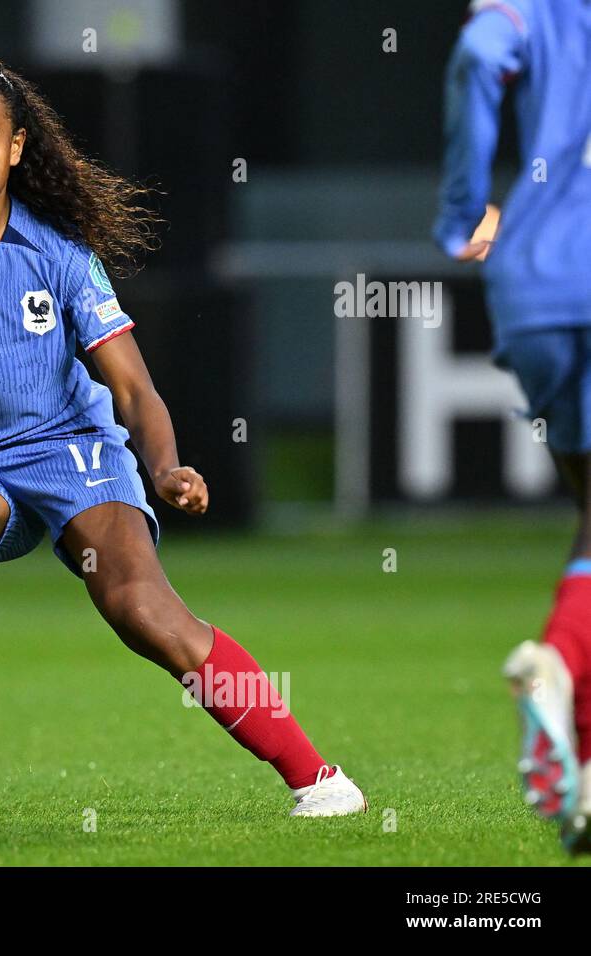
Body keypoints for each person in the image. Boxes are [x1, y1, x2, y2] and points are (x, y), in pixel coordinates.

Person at [0, 58, 367, 820]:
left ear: (15, 148)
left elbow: (133, 388)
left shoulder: (57, 252)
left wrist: (167, 466)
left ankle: (319, 779)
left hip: (72, 454)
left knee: (144, 610)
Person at [434, 0, 591, 854]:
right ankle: (562, 660)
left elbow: (474, 61)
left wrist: (465, 206)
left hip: (533, 283)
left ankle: (589, 771)